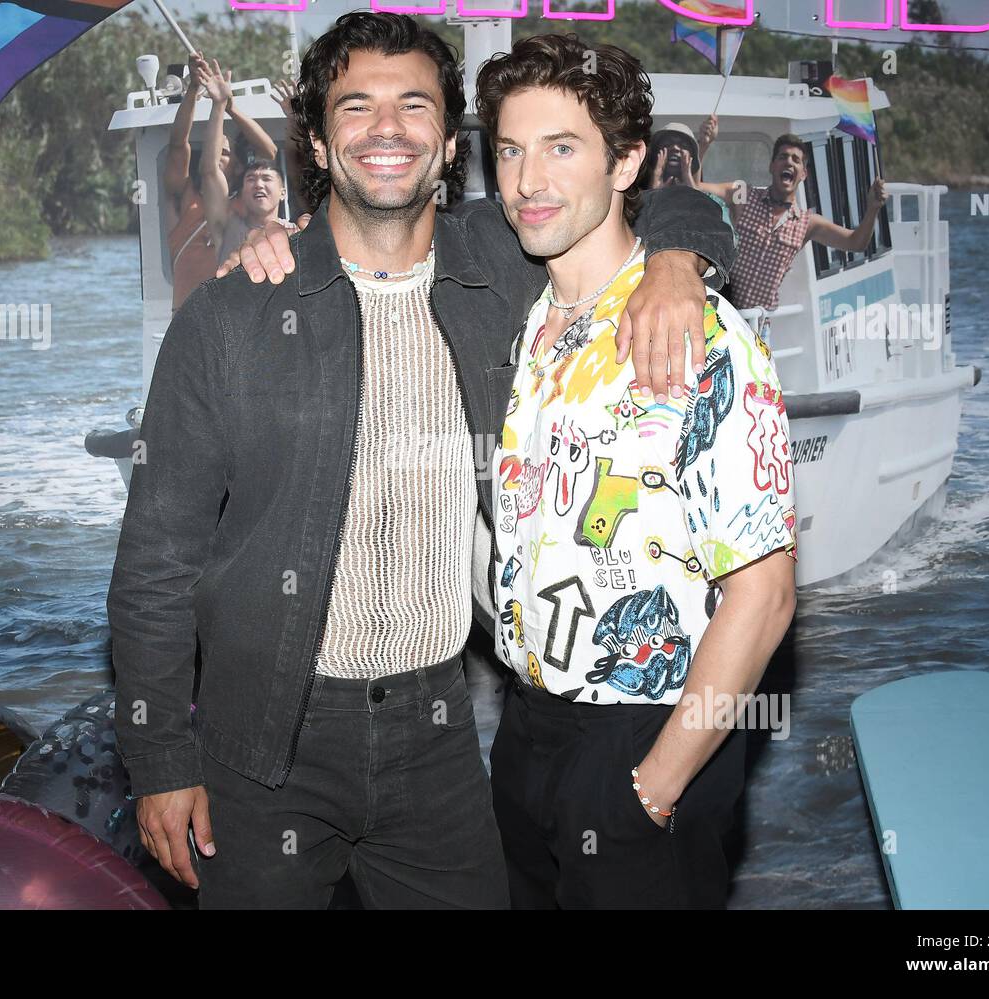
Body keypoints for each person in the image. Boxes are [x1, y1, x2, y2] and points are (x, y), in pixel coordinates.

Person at [108, 11, 735, 910]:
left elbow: (660, 200)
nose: (387, 128)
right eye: (356, 107)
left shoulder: (505, 262)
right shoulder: (233, 314)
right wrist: (160, 757)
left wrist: (677, 259)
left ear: (450, 146)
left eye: (414, 105)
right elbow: (155, 563)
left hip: (437, 738)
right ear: (318, 144)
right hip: (260, 747)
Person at [474, 33, 797, 909]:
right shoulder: (529, 324)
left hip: (642, 742)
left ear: (626, 163)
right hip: (525, 727)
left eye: (562, 148)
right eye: (510, 151)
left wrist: (655, 785)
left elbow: (764, 596)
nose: (528, 181)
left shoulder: (702, 335)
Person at [697, 118, 888, 313]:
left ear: (803, 174)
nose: (789, 162)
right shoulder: (743, 195)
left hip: (758, 325)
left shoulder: (808, 224)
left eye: (796, 160)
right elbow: (695, 188)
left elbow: (856, 243)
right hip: (722, 313)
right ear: (772, 166)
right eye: (783, 157)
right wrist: (704, 145)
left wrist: (872, 208)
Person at [164, 52, 277, 311]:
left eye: (224, 152)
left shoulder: (249, 199)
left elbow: (269, 153)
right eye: (211, 150)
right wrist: (193, 89)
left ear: (238, 166)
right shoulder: (185, 196)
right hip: (187, 317)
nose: (214, 155)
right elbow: (178, 143)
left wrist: (230, 107)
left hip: (235, 316)